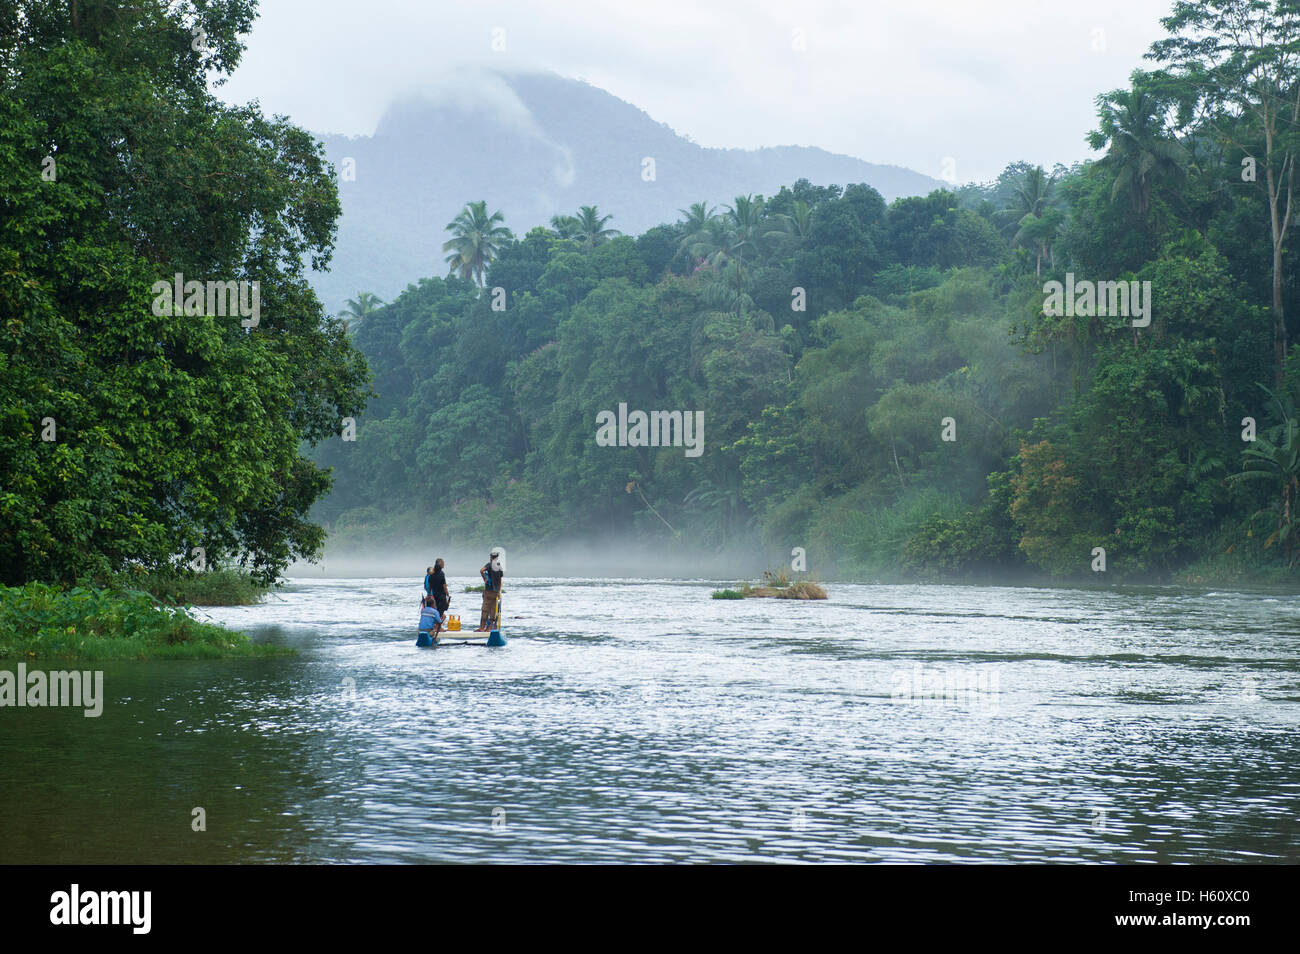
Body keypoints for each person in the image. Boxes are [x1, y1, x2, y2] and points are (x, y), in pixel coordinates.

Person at [475, 548, 504, 632]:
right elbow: (500, 580)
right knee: (492, 610)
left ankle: (482, 628)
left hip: (488, 591)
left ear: (491, 557)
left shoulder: (489, 565)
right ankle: (489, 627)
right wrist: (499, 591)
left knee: (485, 609)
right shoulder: (499, 566)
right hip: (495, 592)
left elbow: (481, 570)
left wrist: (485, 579)